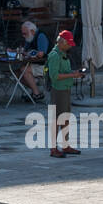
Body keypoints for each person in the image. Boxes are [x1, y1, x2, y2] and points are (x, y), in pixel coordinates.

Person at [44, 30, 84, 158]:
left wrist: (75, 73)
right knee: (56, 120)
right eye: (69, 44)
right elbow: (55, 76)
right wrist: (73, 75)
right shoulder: (55, 55)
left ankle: (65, 145)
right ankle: (53, 148)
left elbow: (64, 72)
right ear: (61, 42)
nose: (70, 46)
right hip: (58, 90)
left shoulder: (63, 54)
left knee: (65, 118)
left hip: (65, 89)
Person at [18, 20, 49, 100]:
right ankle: (35, 87)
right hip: (37, 64)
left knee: (24, 70)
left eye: (25, 33)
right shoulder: (30, 37)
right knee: (17, 73)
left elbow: (41, 54)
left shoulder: (41, 36)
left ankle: (37, 93)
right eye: (23, 33)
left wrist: (29, 53)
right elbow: (24, 51)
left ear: (32, 31)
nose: (23, 36)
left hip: (47, 66)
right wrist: (13, 51)